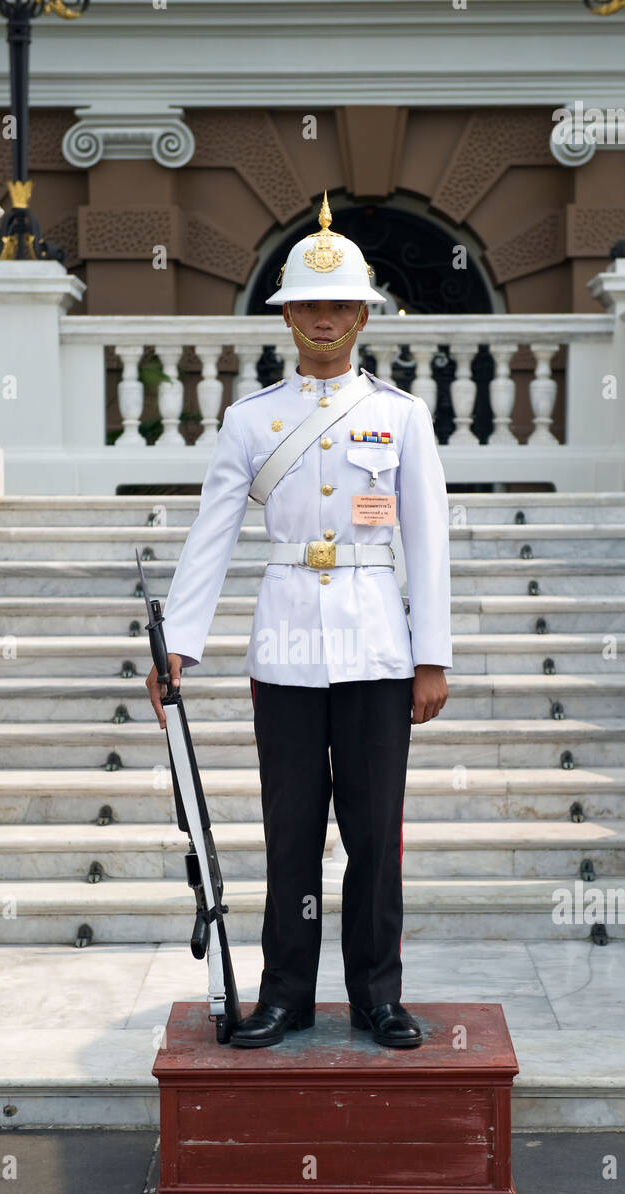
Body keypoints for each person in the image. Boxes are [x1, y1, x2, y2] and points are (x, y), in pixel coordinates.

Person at [146, 193, 452, 1049]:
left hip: (377, 652)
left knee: (373, 842)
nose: (323, 318)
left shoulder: (400, 416)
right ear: (286, 315)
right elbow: (211, 537)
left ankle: (375, 997)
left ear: (362, 312)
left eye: (338, 303)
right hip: (282, 653)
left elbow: (428, 545)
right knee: (291, 837)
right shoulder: (251, 422)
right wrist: (179, 647)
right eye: (307, 305)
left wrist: (433, 659)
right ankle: (283, 995)